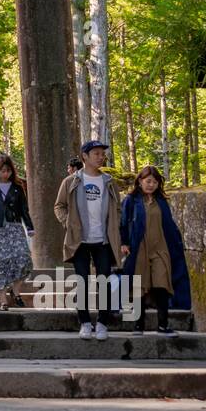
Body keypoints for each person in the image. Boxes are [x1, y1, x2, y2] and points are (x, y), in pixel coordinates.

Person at [53, 140, 122, 340]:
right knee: (82, 282)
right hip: (80, 241)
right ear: (85, 156)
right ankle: (84, 322)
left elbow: (117, 207)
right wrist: (69, 223)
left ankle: (102, 323)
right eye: (97, 153)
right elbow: (59, 206)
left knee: (105, 282)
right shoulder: (71, 181)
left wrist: (114, 226)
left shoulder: (108, 181)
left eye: (102, 154)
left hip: (103, 240)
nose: (101, 157)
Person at [121, 165, 192, 336]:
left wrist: (176, 242)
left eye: (154, 182)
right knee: (139, 286)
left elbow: (169, 224)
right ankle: (138, 325)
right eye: (148, 181)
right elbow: (123, 223)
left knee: (162, 284)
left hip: (161, 247)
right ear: (140, 181)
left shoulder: (161, 201)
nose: (151, 185)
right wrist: (124, 243)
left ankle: (163, 325)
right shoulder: (131, 200)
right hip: (140, 248)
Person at [0, 156, 34, 310]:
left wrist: (30, 226)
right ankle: (3, 299)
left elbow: (24, 209)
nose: (6, 174)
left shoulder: (17, 187)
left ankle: (15, 292)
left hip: (15, 227)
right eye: (3, 171)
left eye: (8, 171)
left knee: (24, 259)